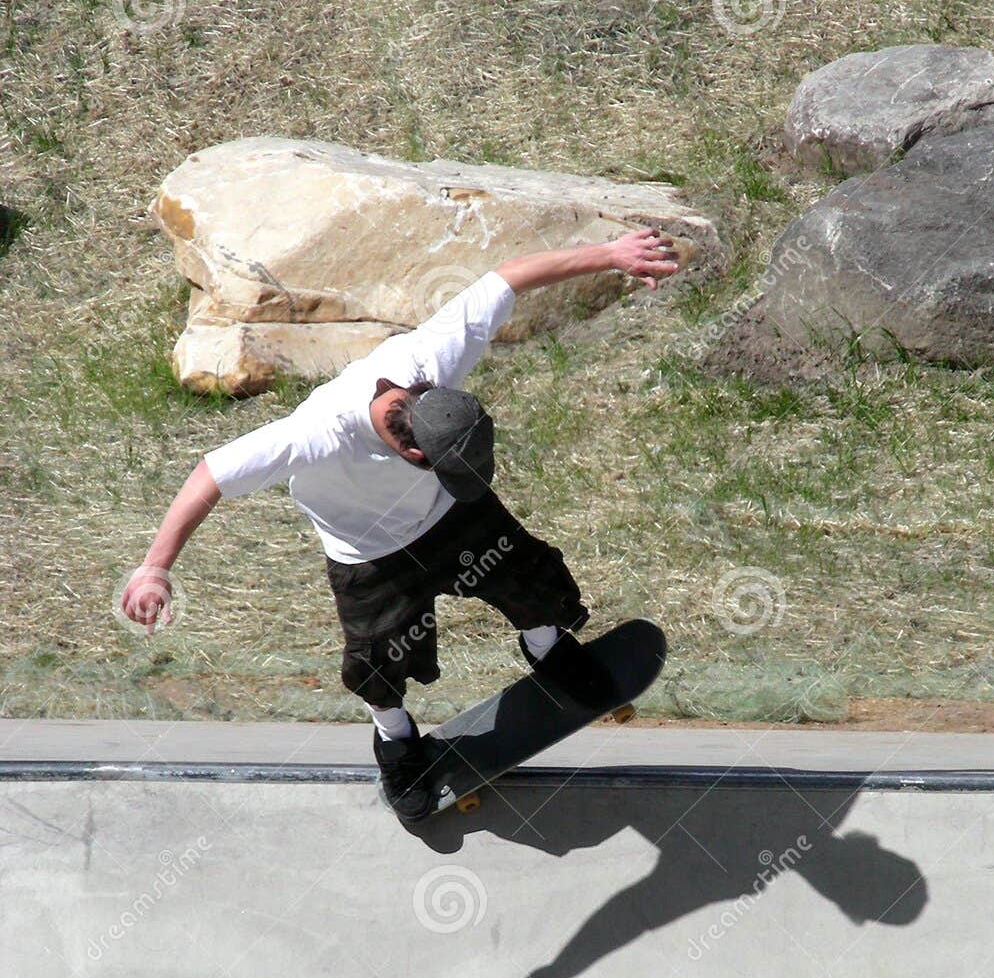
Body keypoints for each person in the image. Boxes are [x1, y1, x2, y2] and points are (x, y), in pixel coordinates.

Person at [122, 226, 679, 820]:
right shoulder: (314, 437)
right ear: (414, 456)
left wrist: (612, 255)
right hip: (368, 555)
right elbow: (209, 475)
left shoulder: (430, 359)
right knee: (376, 663)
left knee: (532, 579)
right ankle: (396, 742)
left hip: (453, 521)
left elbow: (509, 275)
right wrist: (156, 568)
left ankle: (548, 652)